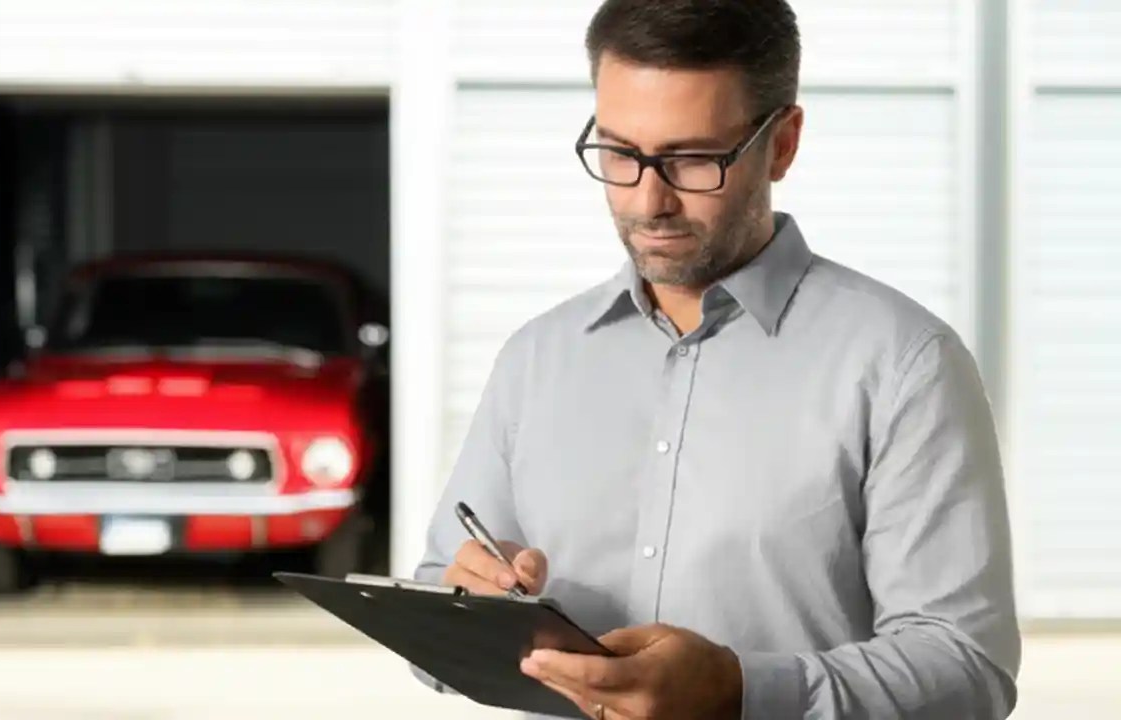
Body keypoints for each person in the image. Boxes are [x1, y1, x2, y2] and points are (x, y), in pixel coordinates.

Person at [411, 0, 1021, 718]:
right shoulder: (536, 358)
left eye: (693, 157)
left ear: (783, 144)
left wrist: (741, 691)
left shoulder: (904, 363)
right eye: (618, 152)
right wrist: (465, 606)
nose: (649, 200)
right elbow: (433, 606)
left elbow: (966, 666)